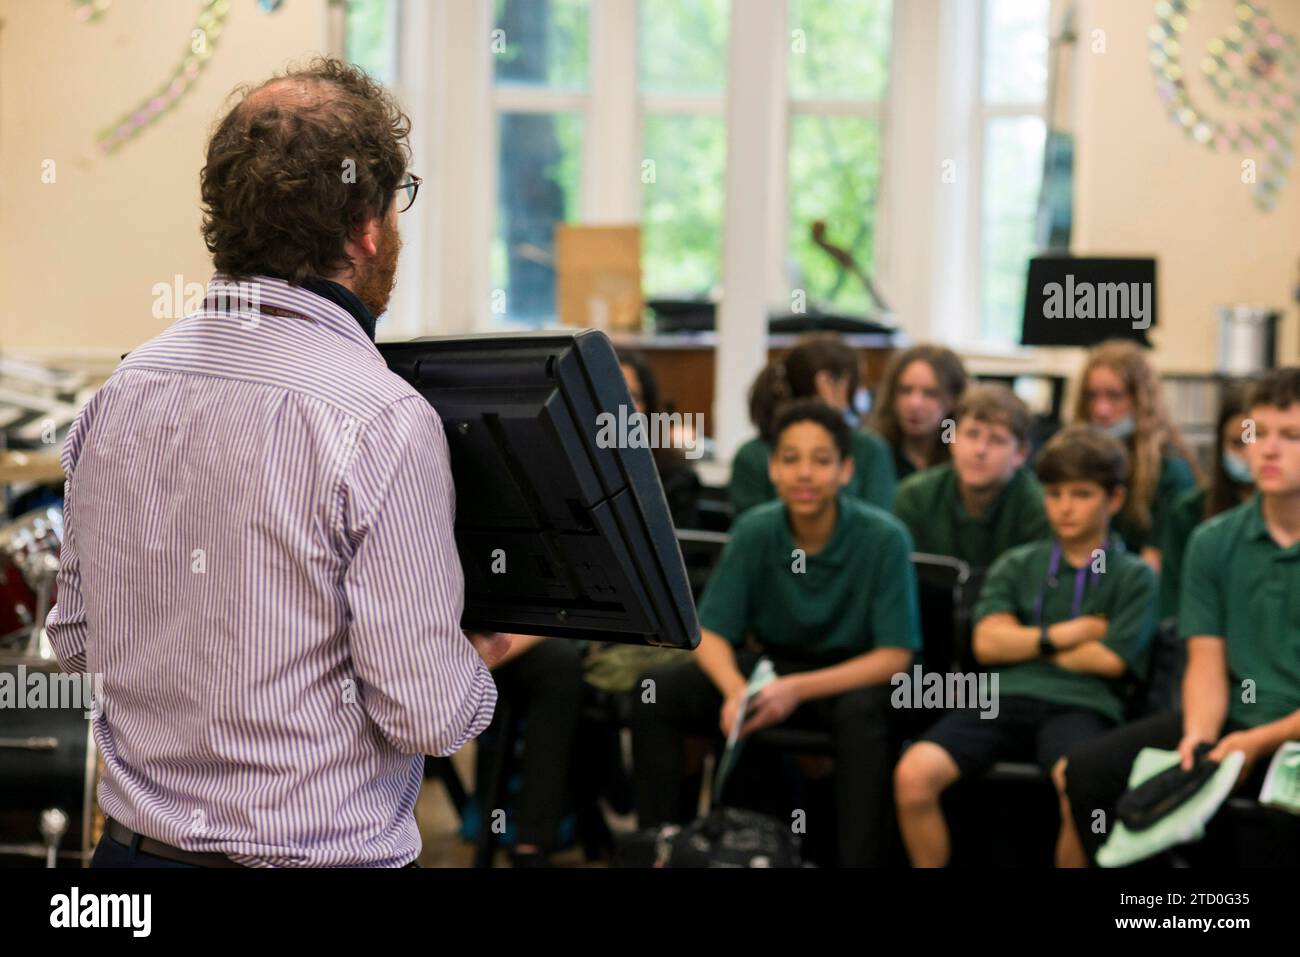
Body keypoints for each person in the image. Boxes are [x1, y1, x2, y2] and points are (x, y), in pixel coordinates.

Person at [45, 59, 508, 868]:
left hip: (127, 863)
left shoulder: (122, 390)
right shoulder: (382, 419)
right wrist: (469, 662)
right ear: (366, 227)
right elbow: (426, 716)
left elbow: (78, 642)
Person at [632, 399, 920, 866]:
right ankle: (664, 846)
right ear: (773, 468)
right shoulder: (754, 529)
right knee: (660, 691)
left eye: (821, 460)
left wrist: (795, 690)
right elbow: (711, 631)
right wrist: (735, 691)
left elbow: (894, 656)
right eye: (791, 458)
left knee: (861, 716)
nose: (804, 473)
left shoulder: (884, 538)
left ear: (846, 470)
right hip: (772, 667)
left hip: (850, 678)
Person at [1059, 368, 1300, 867]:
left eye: (1291, 435)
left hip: (1287, 730)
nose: (1267, 450)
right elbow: (1206, 659)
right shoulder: (1212, 541)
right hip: (1233, 718)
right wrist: (1200, 736)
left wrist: (1258, 741)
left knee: (1275, 826)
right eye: (1257, 434)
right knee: (1087, 774)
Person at [894, 427, 1157, 867]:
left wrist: (1024, 640)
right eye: (1054, 494)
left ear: (1113, 500)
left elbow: (1111, 660)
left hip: (1082, 706)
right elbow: (987, 646)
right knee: (913, 774)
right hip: (1000, 697)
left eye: (1082, 494)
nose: (1065, 507)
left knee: (1079, 787)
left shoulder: (1133, 575)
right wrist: (1067, 635)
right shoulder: (1017, 563)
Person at [728, 333, 895, 517]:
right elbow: (751, 531)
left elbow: (878, 528)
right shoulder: (869, 449)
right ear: (825, 383)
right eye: (858, 381)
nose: (864, 391)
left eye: (822, 460)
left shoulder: (870, 449)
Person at [893, 383, 1050, 571]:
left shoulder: (1041, 510)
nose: (980, 450)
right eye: (972, 434)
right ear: (952, 440)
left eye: (996, 439)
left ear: (1021, 454)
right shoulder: (914, 497)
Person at [1073, 339, 1199, 569]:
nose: (1101, 410)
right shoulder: (1077, 461)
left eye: (1114, 396)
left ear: (1141, 399)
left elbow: (1155, 566)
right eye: (1092, 396)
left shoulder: (1171, 470)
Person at [1158, 384, 1254, 621]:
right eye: (1238, 443)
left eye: (1257, 438)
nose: (1251, 454)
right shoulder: (1191, 513)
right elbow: (1173, 608)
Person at [618, 350, 702, 528]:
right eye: (614, 395)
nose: (624, 407)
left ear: (648, 407)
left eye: (633, 397)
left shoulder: (676, 477)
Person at [871, 344, 968, 483]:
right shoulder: (877, 454)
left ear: (953, 400)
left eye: (930, 393)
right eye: (905, 390)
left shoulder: (962, 461)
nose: (915, 403)